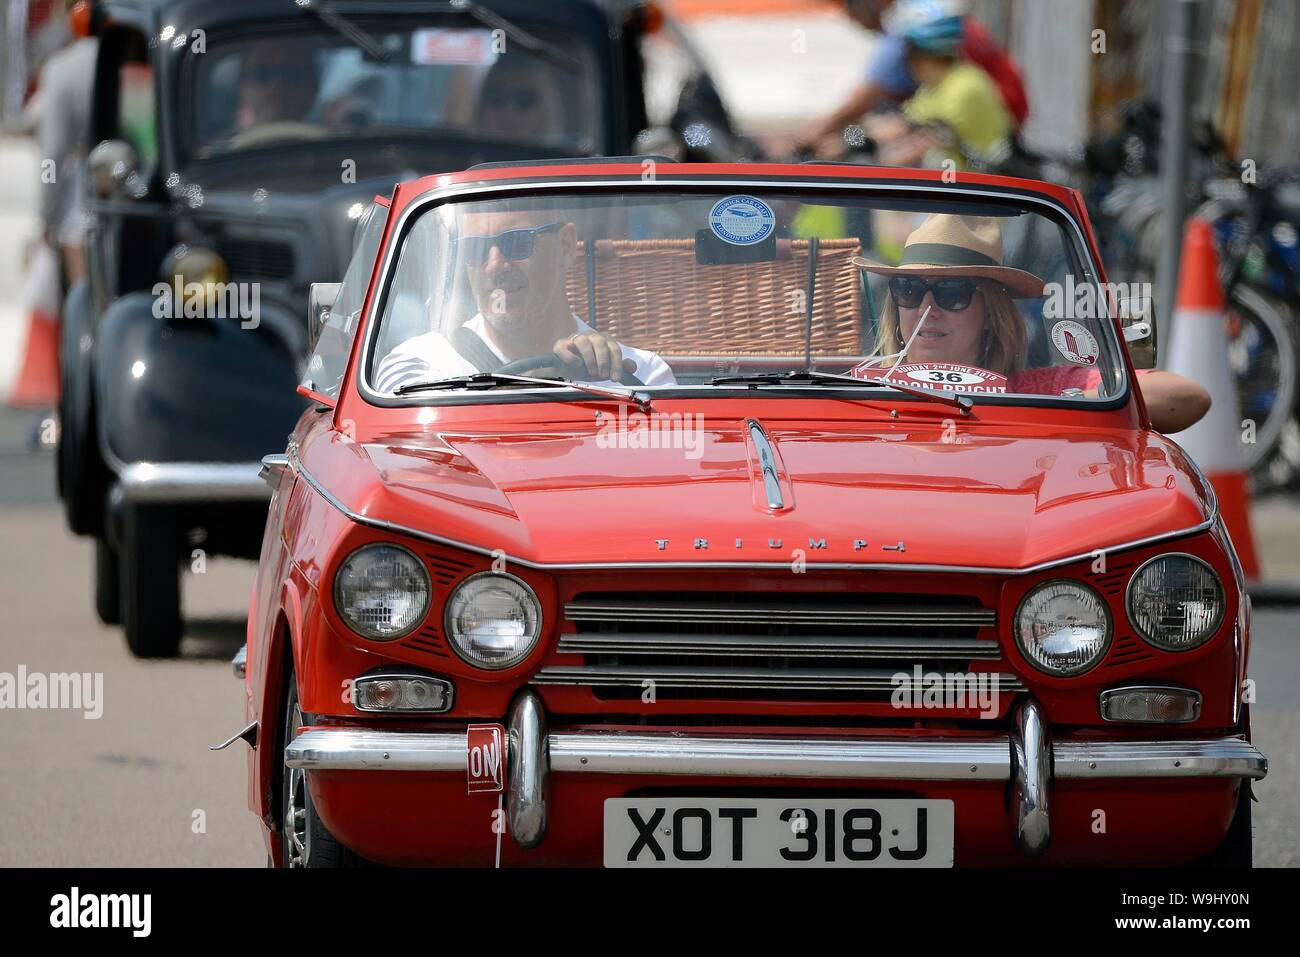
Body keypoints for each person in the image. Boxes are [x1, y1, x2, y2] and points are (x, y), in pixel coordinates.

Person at [852, 213, 1211, 434]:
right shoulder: (854, 393)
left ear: (991, 316)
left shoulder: (1034, 392)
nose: (927, 308)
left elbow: (1187, 397)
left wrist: (1066, 405)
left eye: (953, 291)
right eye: (910, 289)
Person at [374, 208, 675, 393]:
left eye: (516, 243)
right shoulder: (420, 366)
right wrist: (545, 381)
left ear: (566, 246)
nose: (493, 266)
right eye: (475, 249)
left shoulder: (642, 374)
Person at [796, 0, 1027, 159]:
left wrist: (847, 145)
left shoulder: (964, 89)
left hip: (981, 213)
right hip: (960, 203)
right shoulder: (937, 89)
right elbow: (899, 124)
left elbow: (919, 138)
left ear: (918, 55)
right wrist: (846, 140)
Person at [866, 11, 1012, 169]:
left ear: (922, 57)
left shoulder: (966, 87)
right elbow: (904, 121)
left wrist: (878, 151)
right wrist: (859, 133)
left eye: (908, 56)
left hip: (980, 185)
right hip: (951, 180)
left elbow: (927, 137)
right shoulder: (934, 87)